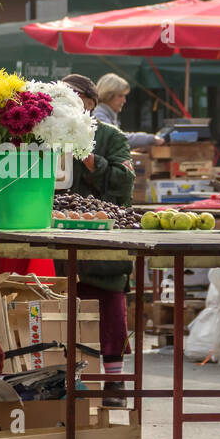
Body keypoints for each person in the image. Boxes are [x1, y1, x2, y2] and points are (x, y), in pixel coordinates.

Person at [62, 74, 135, 408]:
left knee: (109, 299)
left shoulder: (110, 137)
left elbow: (124, 183)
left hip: (102, 235)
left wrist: (93, 161)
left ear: (91, 104)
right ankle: (60, 379)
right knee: (57, 306)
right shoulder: (44, 136)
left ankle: (114, 381)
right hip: (54, 234)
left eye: (77, 99)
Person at [92, 73, 162, 148]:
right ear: (108, 95)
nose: (124, 100)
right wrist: (150, 139)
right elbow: (117, 139)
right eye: (120, 96)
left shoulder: (107, 114)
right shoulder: (98, 115)